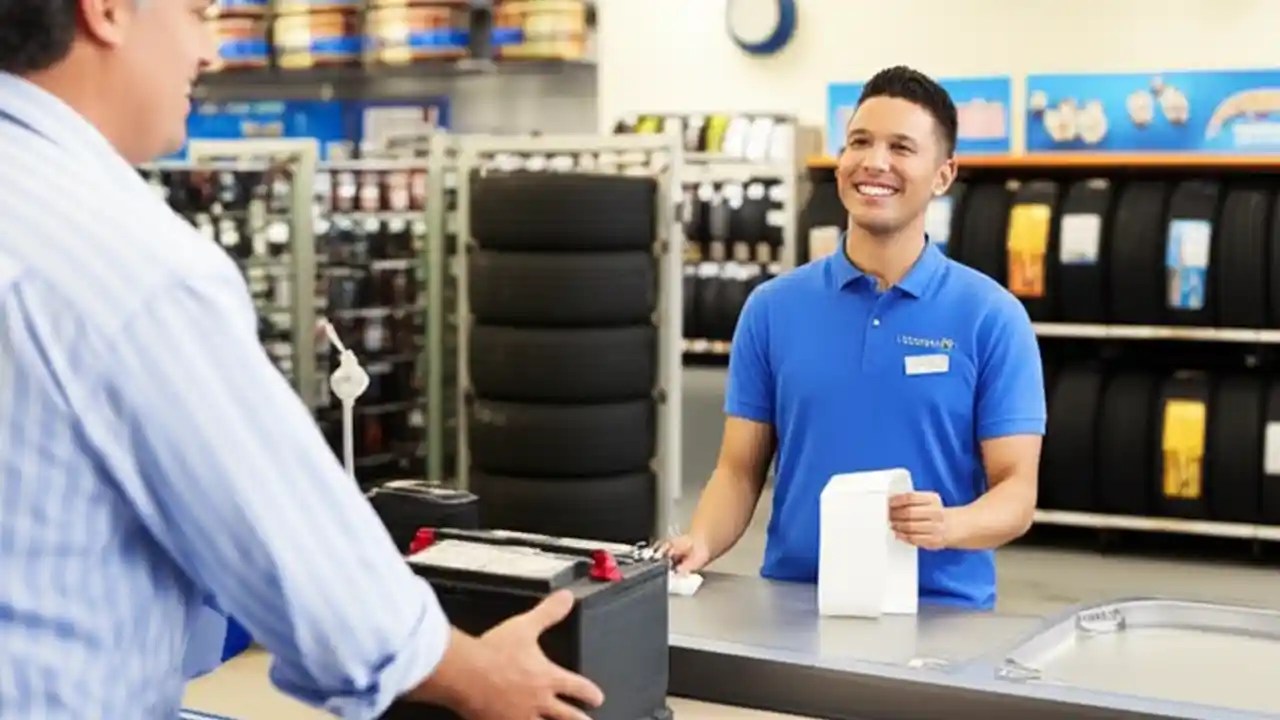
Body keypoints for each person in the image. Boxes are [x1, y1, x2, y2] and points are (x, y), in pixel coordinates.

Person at [0, 2, 603, 719]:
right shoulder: (131, 262)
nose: (210, 51)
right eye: (196, 13)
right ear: (105, 11)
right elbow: (312, 579)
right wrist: (478, 673)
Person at [663, 66, 1045, 611]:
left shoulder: (992, 317)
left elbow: (1016, 492)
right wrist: (701, 541)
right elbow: (738, 471)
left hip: (942, 610)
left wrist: (950, 525)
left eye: (901, 147)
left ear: (943, 175)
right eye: (859, 142)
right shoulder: (772, 309)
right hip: (796, 605)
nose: (874, 162)